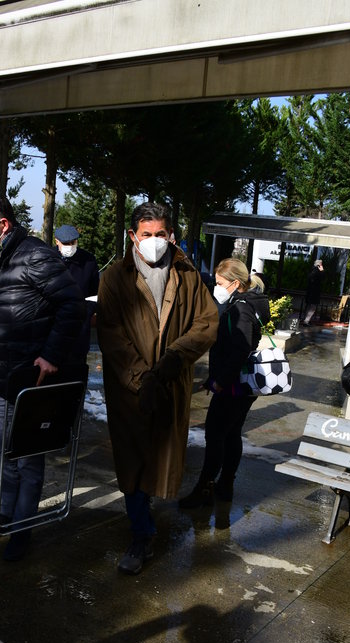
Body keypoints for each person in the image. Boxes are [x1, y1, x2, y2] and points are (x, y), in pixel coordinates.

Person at [97, 201, 218, 575]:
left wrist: (171, 361)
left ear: (171, 236)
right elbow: (111, 334)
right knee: (132, 462)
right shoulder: (114, 277)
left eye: (159, 235)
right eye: (145, 235)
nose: (153, 242)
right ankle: (140, 534)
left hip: (170, 384)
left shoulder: (189, 275)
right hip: (129, 389)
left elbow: (207, 323)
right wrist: (140, 377)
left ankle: (144, 521)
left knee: (159, 459)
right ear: (133, 236)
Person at [0, 192, 86, 561]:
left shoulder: (34, 255)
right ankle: (4, 518)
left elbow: (72, 305)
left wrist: (51, 355)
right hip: (1, 377)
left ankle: (21, 529)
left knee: (27, 459)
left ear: (2, 225)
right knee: (2, 453)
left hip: (30, 380)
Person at [179, 259, 270, 510]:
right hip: (242, 384)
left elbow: (239, 348)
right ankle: (225, 485)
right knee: (231, 434)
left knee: (215, 435)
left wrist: (220, 381)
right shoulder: (251, 302)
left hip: (233, 385)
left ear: (235, 283)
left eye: (219, 283)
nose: (216, 287)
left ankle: (204, 489)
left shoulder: (241, 308)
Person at [55, 223, 100, 359]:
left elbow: (94, 293)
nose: (70, 246)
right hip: (53, 324)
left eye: (72, 242)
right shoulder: (48, 258)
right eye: (65, 243)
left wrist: (86, 312)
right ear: (57, 241)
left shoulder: (88, 261)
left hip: (80, 324)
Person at [302, 258, 324, 325]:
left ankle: (305, 320)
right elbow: (323, 279)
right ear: (319, 265)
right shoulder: (318, 272)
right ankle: (306, 321)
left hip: (309, 291)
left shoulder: (311, 270)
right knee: (313, 307)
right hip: (314, 292)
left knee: (308, 306)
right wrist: (322, 271)